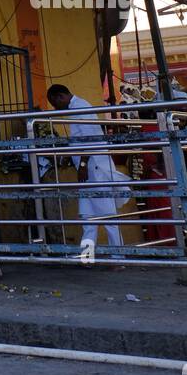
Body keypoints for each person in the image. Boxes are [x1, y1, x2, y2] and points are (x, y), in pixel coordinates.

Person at [47, 84, 131, 253]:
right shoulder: (75, 108)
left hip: (94, 169)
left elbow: (90, 139)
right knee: (87, 218)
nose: (56, 108)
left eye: (55, 103)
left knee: (108, 217)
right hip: (86, 173)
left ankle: (119, 258)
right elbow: (79, 140)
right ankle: (87, 256)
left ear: (60, 97)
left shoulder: (81, 107)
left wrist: (83, 164)